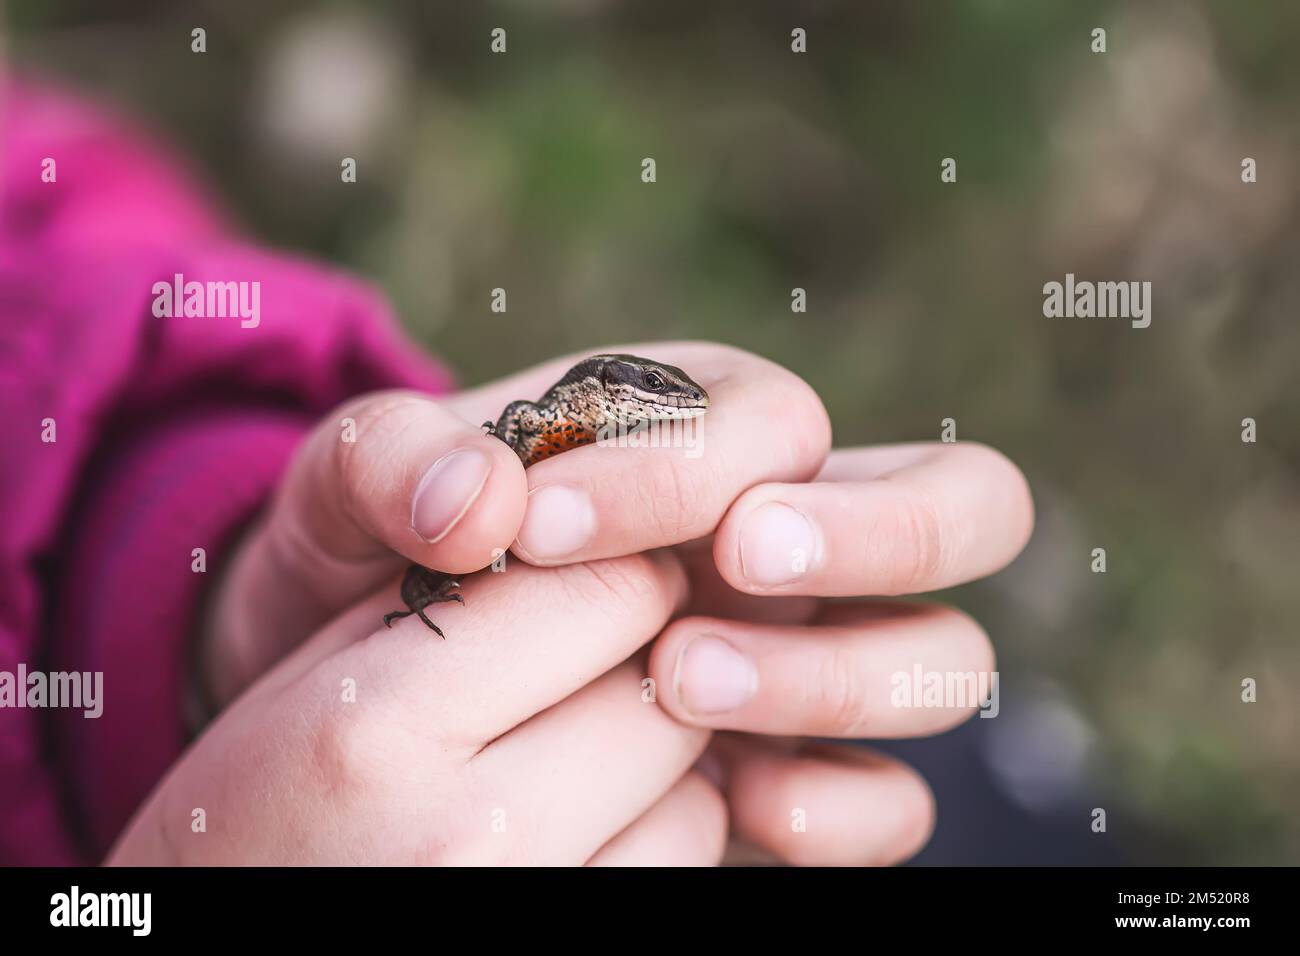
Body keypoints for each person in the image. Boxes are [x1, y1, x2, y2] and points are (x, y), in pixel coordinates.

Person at [0, 76, 1034, 866]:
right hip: (504, 703)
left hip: (543, 695)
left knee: (944, 783)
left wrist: (195, 581)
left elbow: (51, 231)